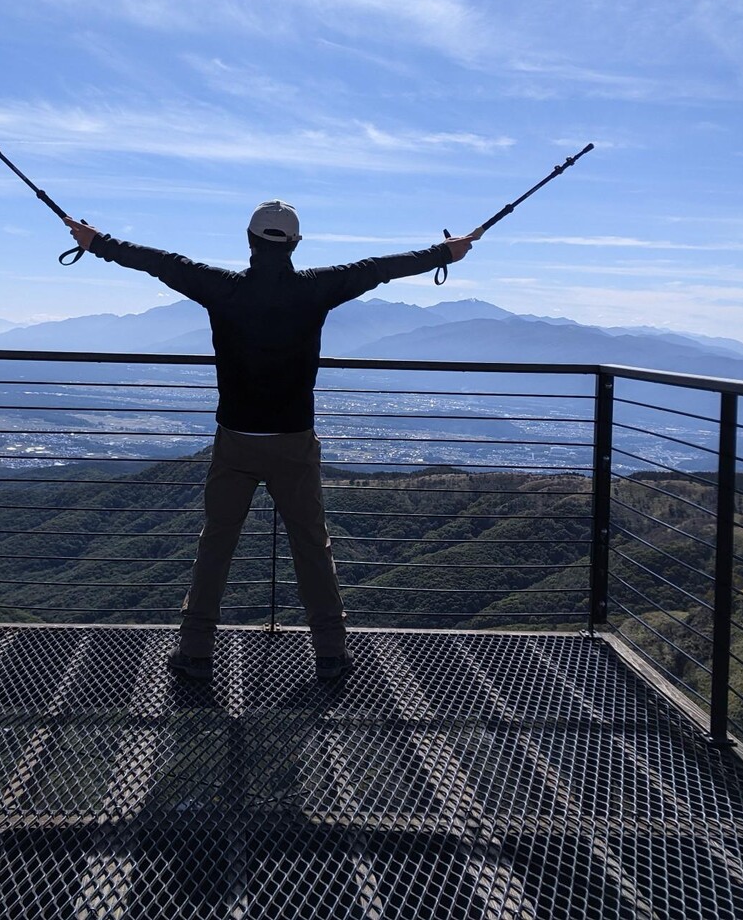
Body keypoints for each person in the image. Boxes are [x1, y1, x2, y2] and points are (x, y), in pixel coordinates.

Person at [65, 202, 476, 681]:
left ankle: (196, 651)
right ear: (295, 244)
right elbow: (379, 270)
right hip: (293, 441)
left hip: (235, 437)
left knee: (216, 543)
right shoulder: (317, 288)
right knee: (311, 546)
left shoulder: (221, 288)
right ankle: (330, 653)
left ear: (249, 239)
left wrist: (98, 244)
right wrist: (443, 252)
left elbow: (161, 262)